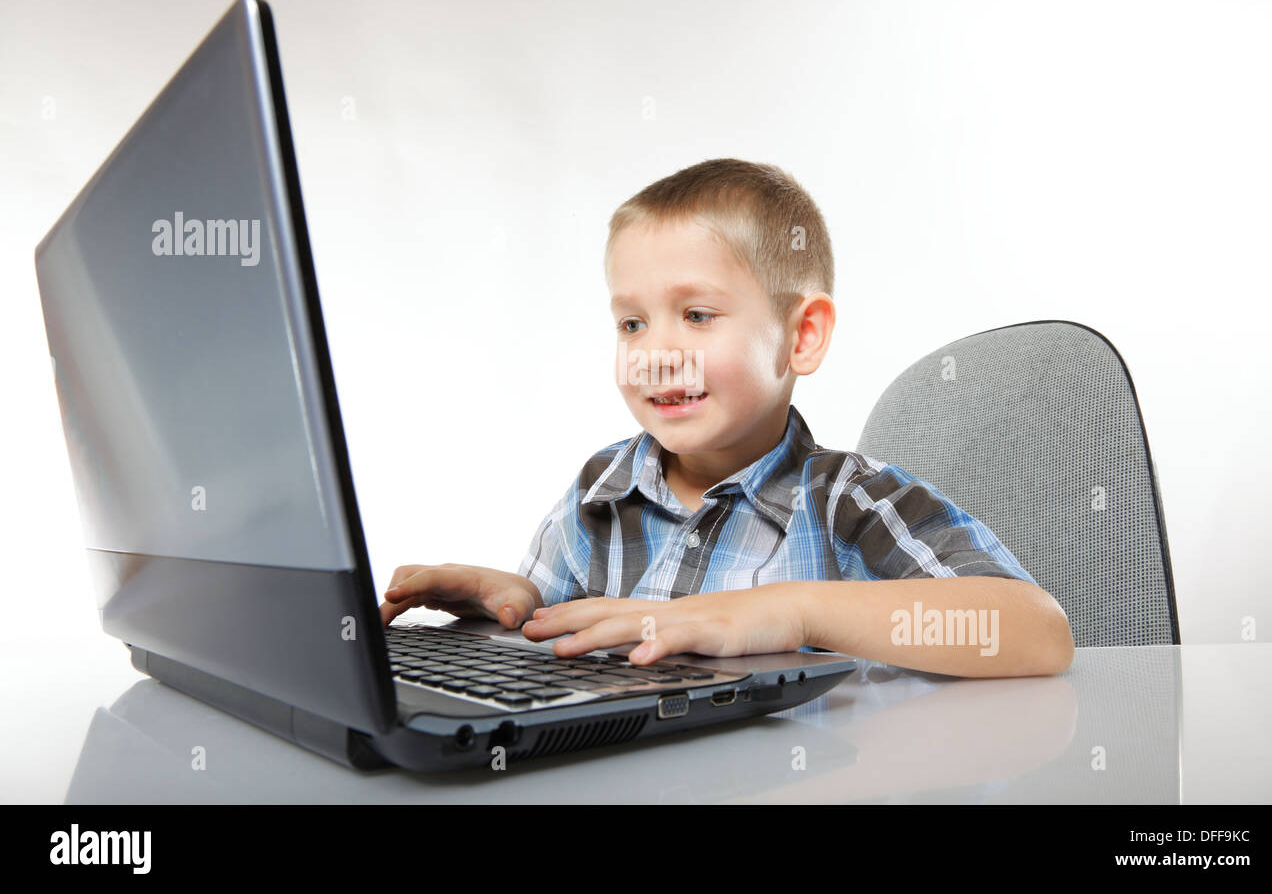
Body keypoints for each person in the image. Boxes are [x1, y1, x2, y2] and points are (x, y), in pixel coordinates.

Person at [381, 158, 1073, 678]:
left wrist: (790, 612)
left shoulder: (844, 503)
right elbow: (561, 637)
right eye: (632, 322)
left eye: (698, 315)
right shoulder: (601, 493)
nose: (655, 353)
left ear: (800, 337)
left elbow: (1037, 632)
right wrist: (517, 601)